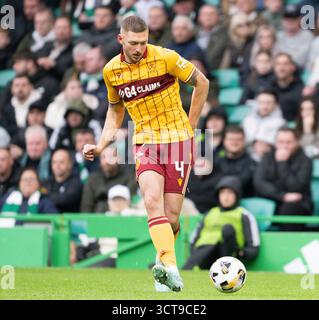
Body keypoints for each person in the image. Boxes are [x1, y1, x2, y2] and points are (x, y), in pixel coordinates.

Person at [83, 16, 209, 292]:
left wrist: (192, 125)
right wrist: (102, 145)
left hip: (178, 141)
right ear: (120, 40)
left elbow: (202, 83)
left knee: (172, 218)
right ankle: (171, 268)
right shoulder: (111, 71)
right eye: (133, 43)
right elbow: (115, 110)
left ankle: (161, 263)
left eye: (143, 41)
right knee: (152, 202)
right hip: (145, 142)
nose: (140, 47)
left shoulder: (167, 58)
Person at [183, 175, 259, 270]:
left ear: (237, 195)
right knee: (206, 246)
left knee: (227, 229)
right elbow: (193, 241)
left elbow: (253, 248)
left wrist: (241, 252)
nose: (226, 197)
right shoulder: (210, 213)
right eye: (222, 193)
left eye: (230, 193)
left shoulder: (244, 214)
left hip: (228, 258)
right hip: (204, 256)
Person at [254, 127, 313, 231]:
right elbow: (259, 182)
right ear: (275, 142)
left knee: (289, 209)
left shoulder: (305, 161)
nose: (284, 146)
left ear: (297, 142)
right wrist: (282, 196)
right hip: (273, 200)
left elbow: (296, 186)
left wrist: (282, 164)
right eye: (281, 142)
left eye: (289, 142)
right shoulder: (267, 157)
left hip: (299, 204)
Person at [81, 145, 137, 213]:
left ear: (118, 158)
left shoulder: (128, 177)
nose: (107, 161)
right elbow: (86, 207)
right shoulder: (92, 179)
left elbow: (130, 202)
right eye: (103, 157)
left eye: (111, 157)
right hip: (97, 219)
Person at [214, 125, 256, 198]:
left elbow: (242, 182)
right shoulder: (216, 160)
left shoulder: (251, 163)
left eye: (238, 139)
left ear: (244, 141)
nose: (234, 142)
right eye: (231, 139)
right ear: (224, 141)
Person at [43, 149, 82, 213]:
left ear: (70, 164)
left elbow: (65, 200)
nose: (57, 166)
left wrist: (47, 196)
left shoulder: (76, 183)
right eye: (54, 162)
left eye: (61, 162)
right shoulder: (45, 183)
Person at [276, 4, 314, 69]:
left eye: (293, 18)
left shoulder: (308, 36)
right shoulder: (277, 36)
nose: (289, 21)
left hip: (301, 73)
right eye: (286, 18)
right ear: (282, 20)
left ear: (299, 19)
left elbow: (301, 61)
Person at [269, 53, 304, 122]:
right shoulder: (268, 88)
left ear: (293, 67)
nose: (281, 68)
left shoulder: (301, 91)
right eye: (278, 64)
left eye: (285, 64)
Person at [196, 4, 228, 71]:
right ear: (199, 18)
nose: (208, 17)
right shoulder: (193, 33)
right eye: (205, 14)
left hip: (216, 72)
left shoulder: (226, 34)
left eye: (212, 14)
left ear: (218, 17)